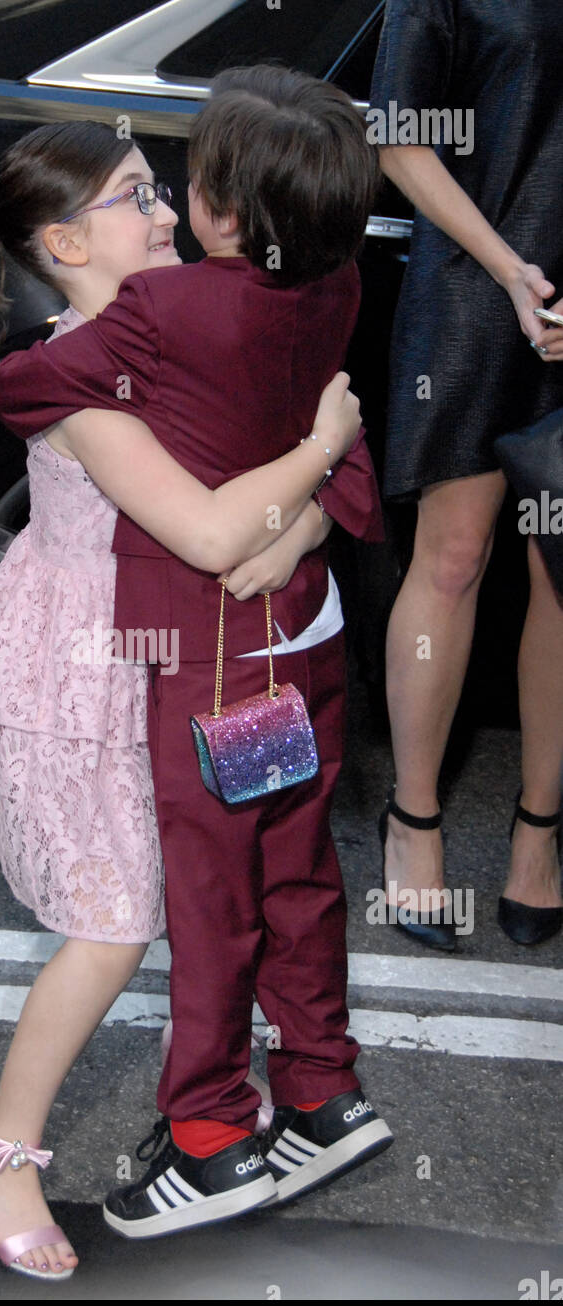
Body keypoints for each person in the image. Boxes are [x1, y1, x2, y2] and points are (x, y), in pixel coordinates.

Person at [0, 116, 366, 1279]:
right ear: (64, 242)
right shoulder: (84, 379)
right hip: (84, 676)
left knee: (229, 889)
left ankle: (237, 1108)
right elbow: (217, 523)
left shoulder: (181, 327)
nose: (167, 211)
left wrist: (308, 510)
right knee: (113, 925)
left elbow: (261, 498)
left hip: (198, 666)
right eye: (133, 197)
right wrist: (320, 451)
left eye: (159, 189)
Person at [369, 0, 563, 951]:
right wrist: (514, 275)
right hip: (478, 290)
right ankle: (412, 824)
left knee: (559, 574)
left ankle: (538, 832)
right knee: (452, 558)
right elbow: (397, 140)